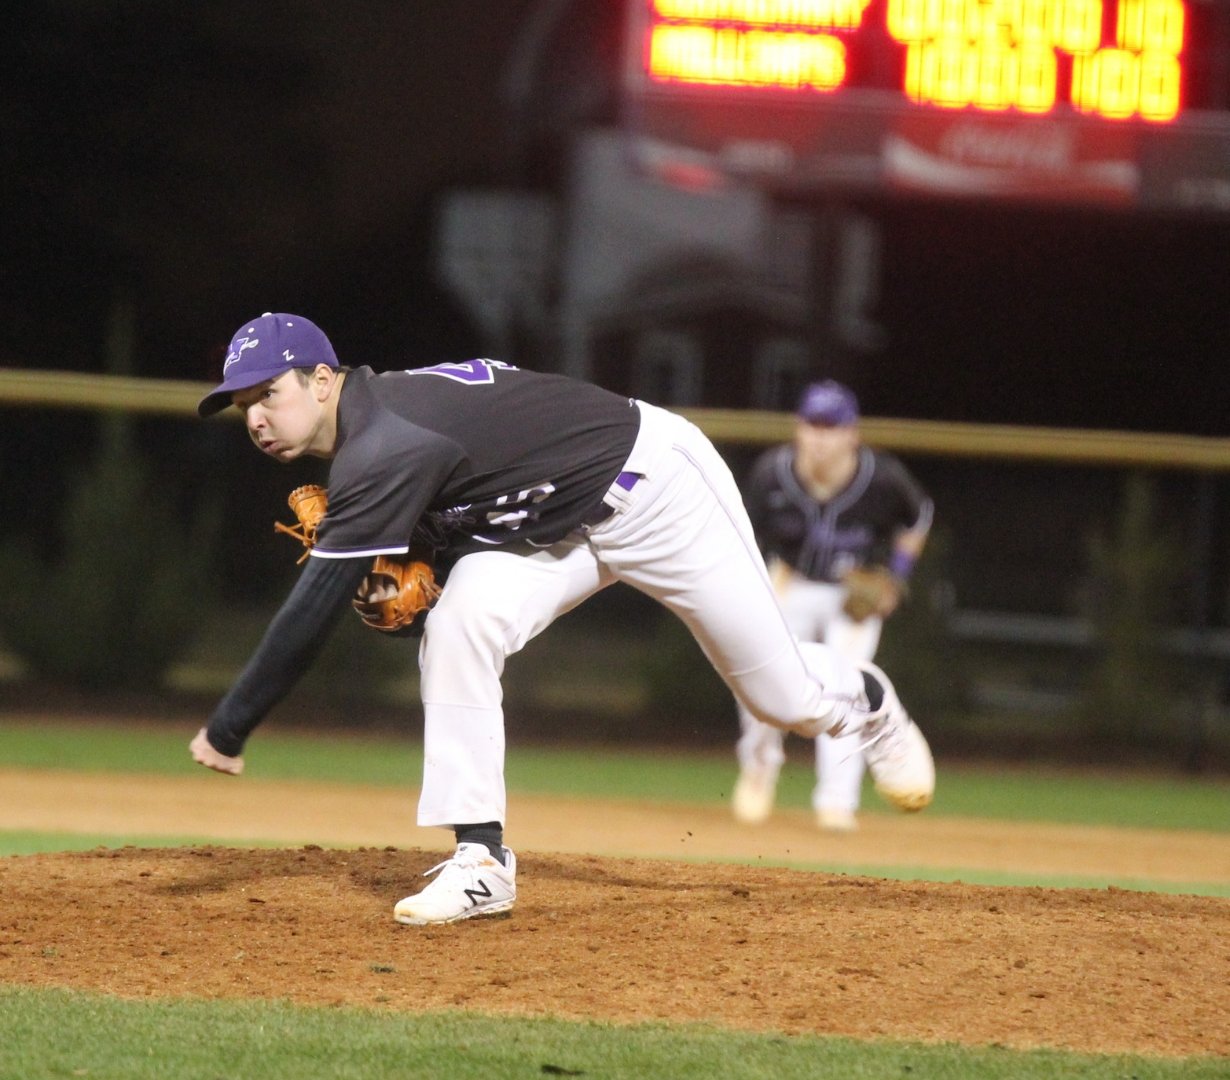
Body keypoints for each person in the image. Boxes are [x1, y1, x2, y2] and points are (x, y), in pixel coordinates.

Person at [187, 313, 935, 926]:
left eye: (267, 394)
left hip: (657, 490)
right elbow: (441, 575)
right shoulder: (376, 437)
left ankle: (865, 702)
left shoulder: (384, 443)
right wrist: (412, 607)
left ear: (323, 381)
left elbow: (313, 608)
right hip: (551, 531)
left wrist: (231, 724)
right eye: (242, 404)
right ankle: (481, 862)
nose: (255, 418)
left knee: (783, 700)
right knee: (459, 628)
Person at [730, 380, 933, 832]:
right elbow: (740, 531)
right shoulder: (772, 472)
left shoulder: (880, 477)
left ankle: (836, 802)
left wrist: (897, 576)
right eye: (813, 425)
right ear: (799, 429)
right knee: (763, 681)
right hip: (789, 583)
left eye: (832, 426)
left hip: (850, 596)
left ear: (851, 433)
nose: (821, 436)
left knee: (850, 687)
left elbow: (918, 516)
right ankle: (758, 772)